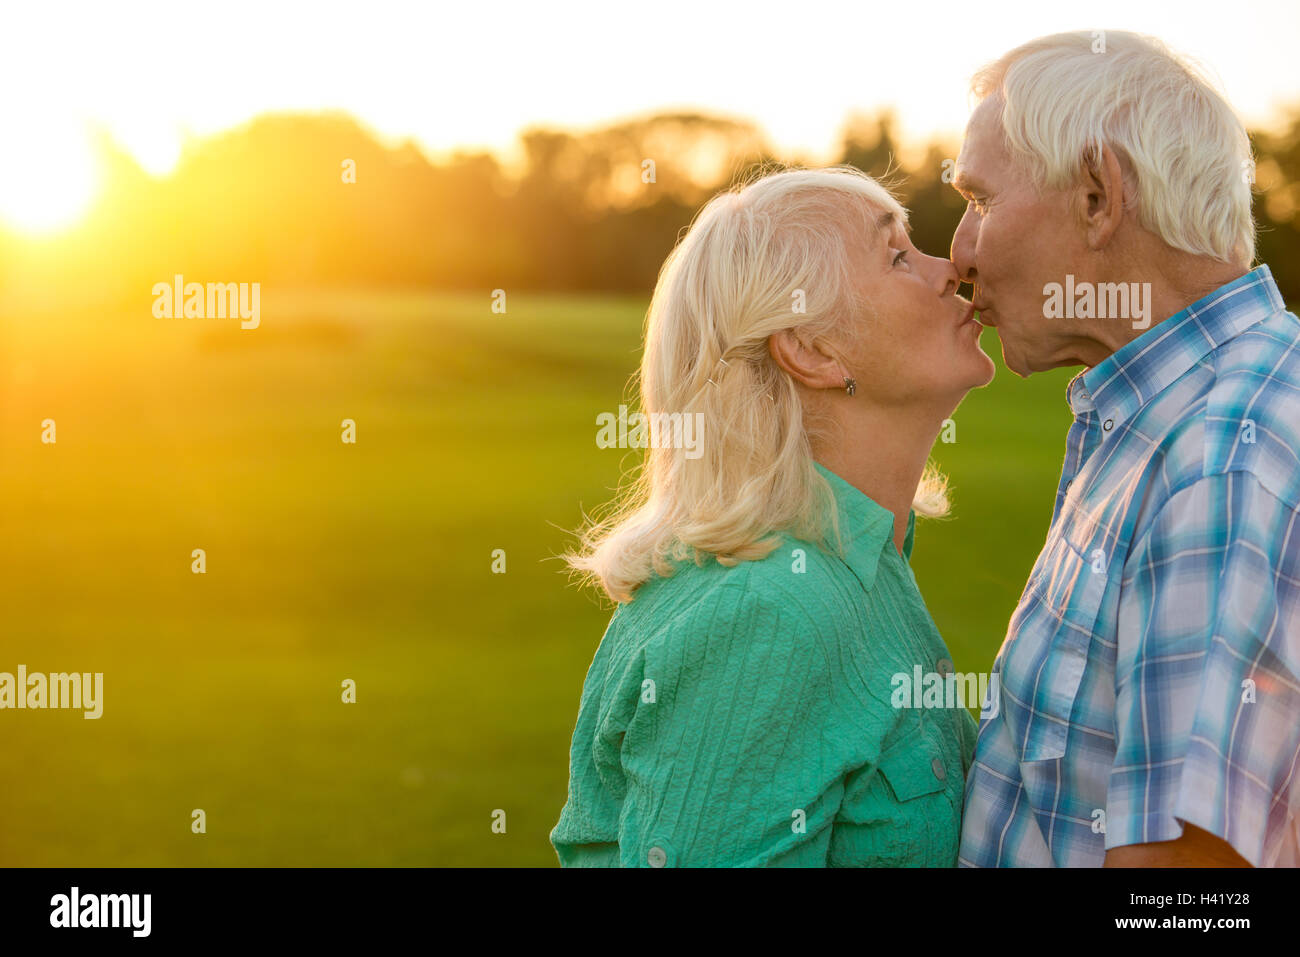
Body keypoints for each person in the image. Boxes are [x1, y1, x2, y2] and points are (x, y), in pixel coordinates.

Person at [550, 165, 995, 866]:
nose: (952, 270)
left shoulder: (864, 561)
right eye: (898, 255)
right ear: (813, 351)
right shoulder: (767, 617)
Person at [951, 30, 1300, 867]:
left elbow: (1190, 889)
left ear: (1101, 196)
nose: (960, 253)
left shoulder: (1223, 457)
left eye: (980, 201)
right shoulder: (1161, 414)